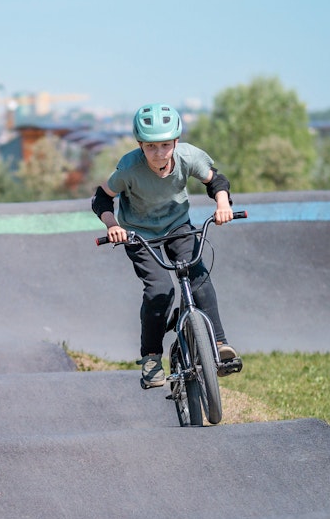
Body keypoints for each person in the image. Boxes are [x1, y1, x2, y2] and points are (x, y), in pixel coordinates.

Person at [91, 102, 238, 390]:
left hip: (178, 227)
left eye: (165, 145)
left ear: (176, 141)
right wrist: (114, 226)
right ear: (140, 145)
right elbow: (101, 198)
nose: (159, 153)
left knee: (199, 279)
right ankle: (151, 358)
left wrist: (222, 204)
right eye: (151, 147)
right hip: (138, 233)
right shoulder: (129, 168)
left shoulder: (188, 157)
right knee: (160, 290)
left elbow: (216, 180)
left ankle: (219, 345)